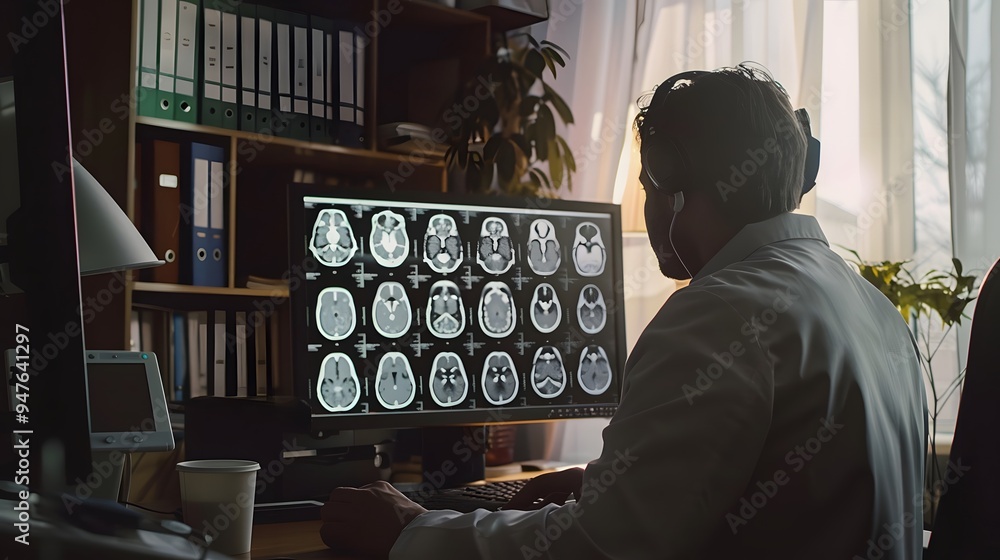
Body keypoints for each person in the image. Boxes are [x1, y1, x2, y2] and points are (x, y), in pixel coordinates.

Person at [319, 64, 927, 559]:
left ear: (671, 178)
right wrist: (625, 486)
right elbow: (792, 498)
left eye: (646, 179)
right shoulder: (869, 305)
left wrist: (410, 533)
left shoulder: (721, 311)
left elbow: (603, 550)